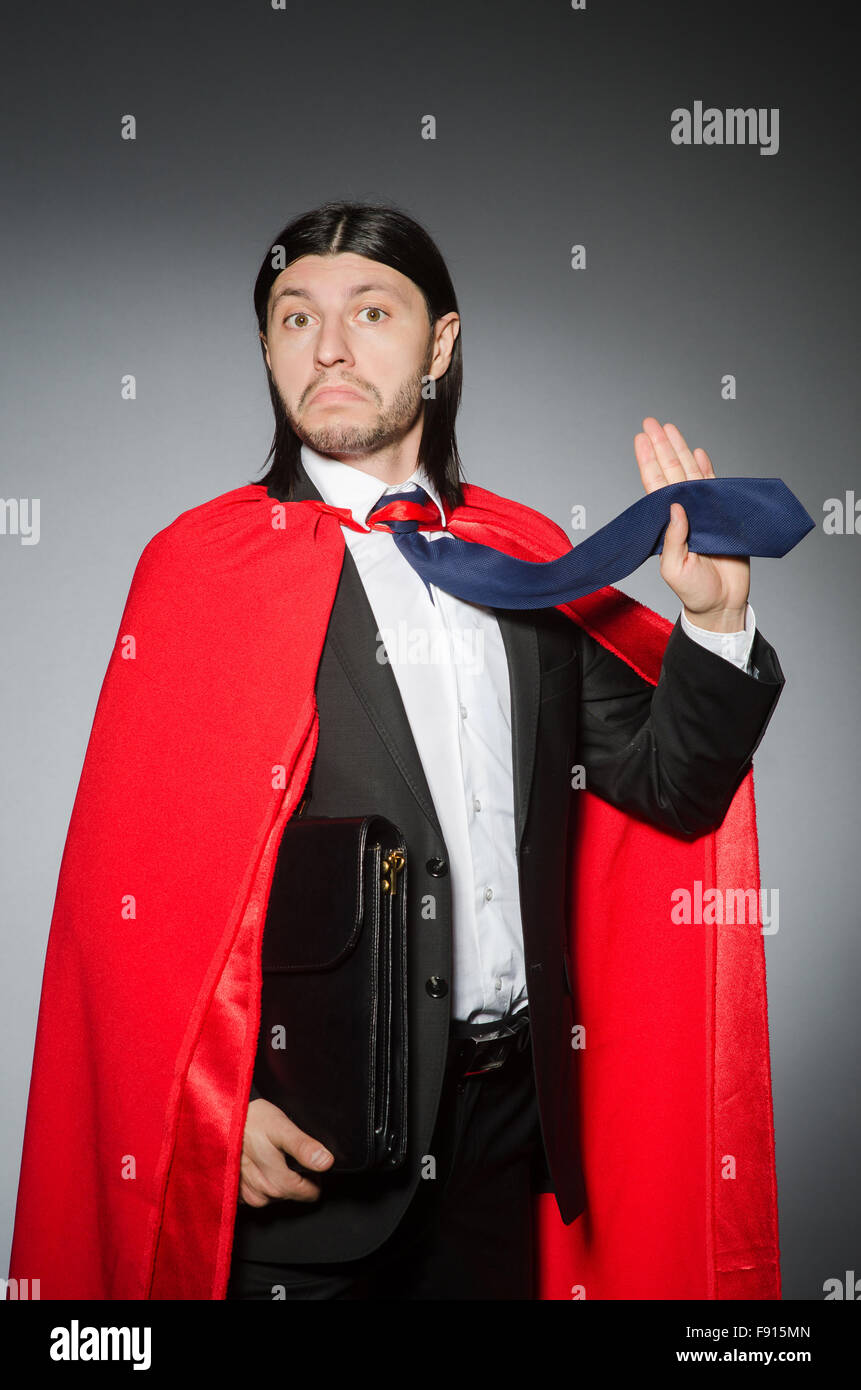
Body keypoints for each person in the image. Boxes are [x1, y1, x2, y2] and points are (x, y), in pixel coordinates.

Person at [7, 200, 788, 1302]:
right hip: (309, 1176)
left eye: (371, 312)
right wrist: (204, 1117)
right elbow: (118, 914)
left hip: (506, 1151)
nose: (328, 346)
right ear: (268, 349)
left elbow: (676, 786)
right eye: (294, 317)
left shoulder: (523, 560)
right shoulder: (197, 571)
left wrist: (711, 621)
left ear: (441, 346)